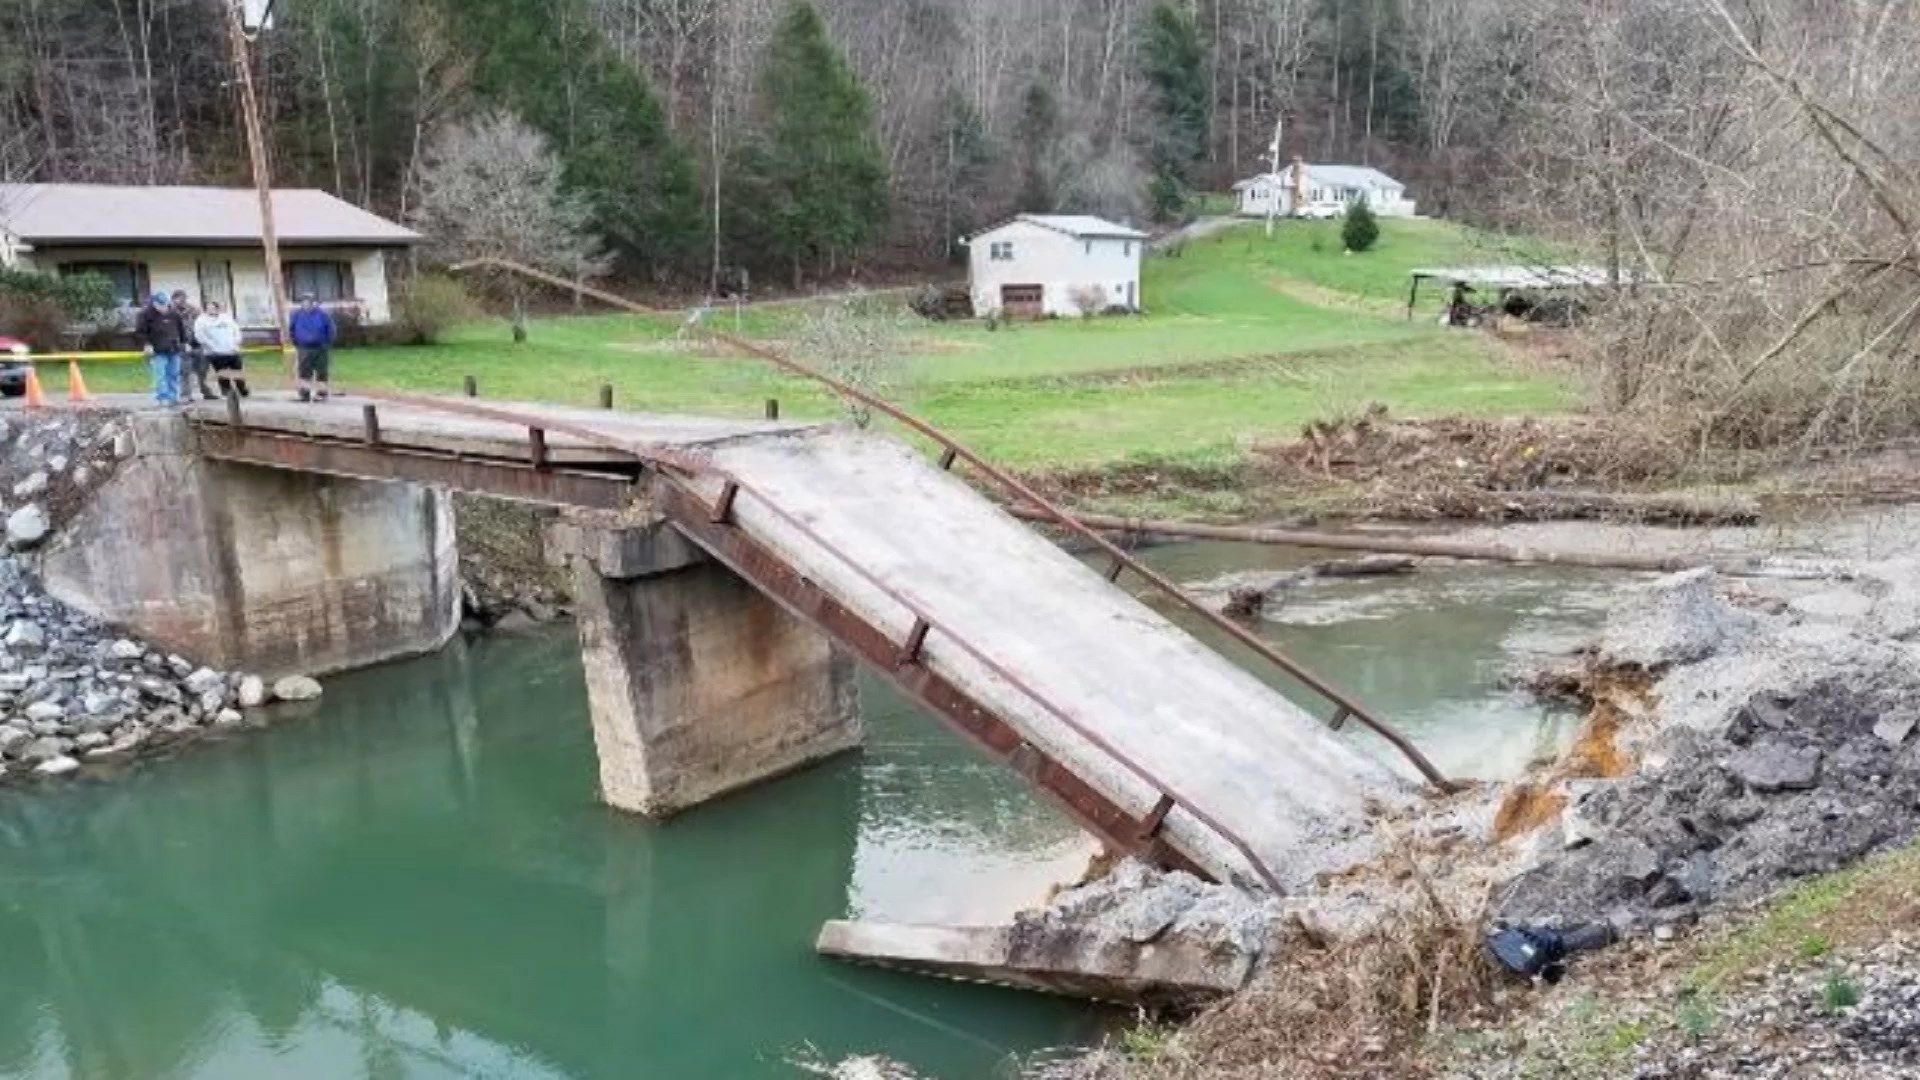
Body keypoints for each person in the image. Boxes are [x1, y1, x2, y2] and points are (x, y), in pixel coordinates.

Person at [134, 291, 188, 405]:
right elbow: (140, 332)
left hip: (174, 348)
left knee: (174, 374)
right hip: (157, 350)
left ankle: (174, 397)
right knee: (160, 375)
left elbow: (181, 329)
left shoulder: (174, 314)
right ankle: (163, 397)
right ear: (154, 303)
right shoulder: (145, 315)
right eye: (160, 305)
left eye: (165, 304)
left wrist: (184, 342)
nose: (163, 308)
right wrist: (146, 344)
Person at [193, 300, 248, 398]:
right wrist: (211, 346)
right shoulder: (201, 321)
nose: (211, 310)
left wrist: (236, 343)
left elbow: (236, 330)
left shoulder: (226, 318)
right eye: (209, 308)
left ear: (217, 308)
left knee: (237, 371)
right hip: (215, 353)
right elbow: (200, 336)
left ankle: (242, 390)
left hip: (232, 350)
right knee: (223, 373)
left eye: (213, 307)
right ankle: (227, 392)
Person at [288, 294, 336, 403]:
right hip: (304, 347)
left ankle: (321, 393)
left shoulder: (323, 314)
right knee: (304, 371)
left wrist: (327, 343)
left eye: (309, 301)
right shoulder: (297, 315)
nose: (307, 303)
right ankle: (305, 393)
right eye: (304, 301)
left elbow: (331, 329)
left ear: (314, 302)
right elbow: (292, 329)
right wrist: (296, 342)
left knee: (322, 371)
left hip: (321, 347)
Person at [170, 290, 216, 401]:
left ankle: (206, 392)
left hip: (198, 344)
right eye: (180, 299)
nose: (183, 301)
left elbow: (203, 323)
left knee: (202, 370)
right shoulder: (170, 312)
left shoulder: (194, 310)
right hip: (182, 345)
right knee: (185, 371)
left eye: (184, 298)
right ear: (174, 299)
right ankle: (186, 395)